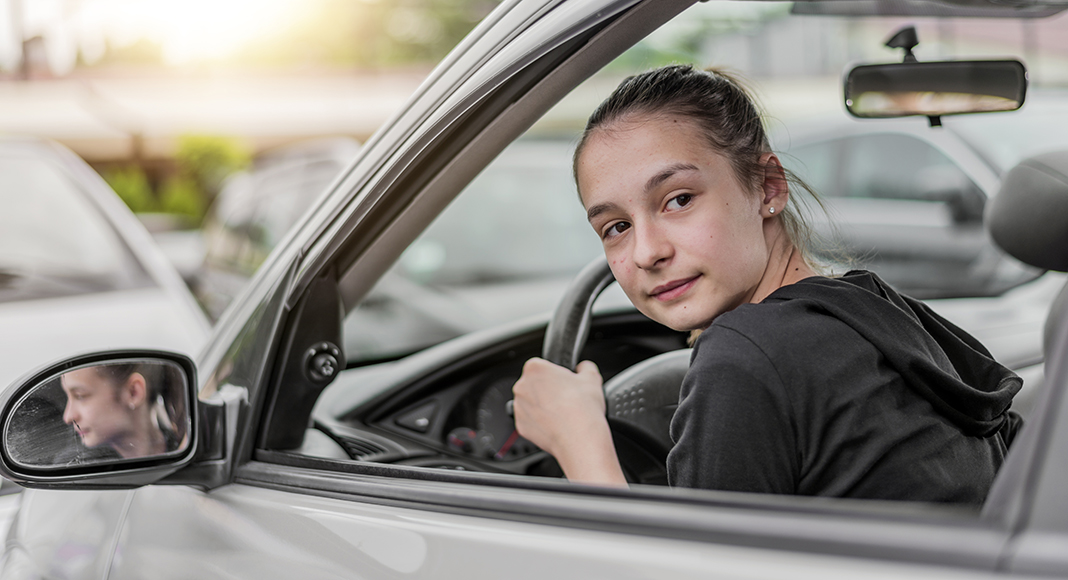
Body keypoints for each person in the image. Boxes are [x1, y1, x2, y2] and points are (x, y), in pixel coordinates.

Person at [511, 65, 1022, 505]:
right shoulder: (872, 307)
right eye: (616, 227)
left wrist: (579, 441)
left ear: (767, 187)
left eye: (679, 199)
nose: (647, 253)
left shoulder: (745, 358)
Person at [60, 363, 177, 459]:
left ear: (133, 392)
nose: (68, 417)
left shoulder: (182, 447)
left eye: (80, 396)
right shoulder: (73, 464)